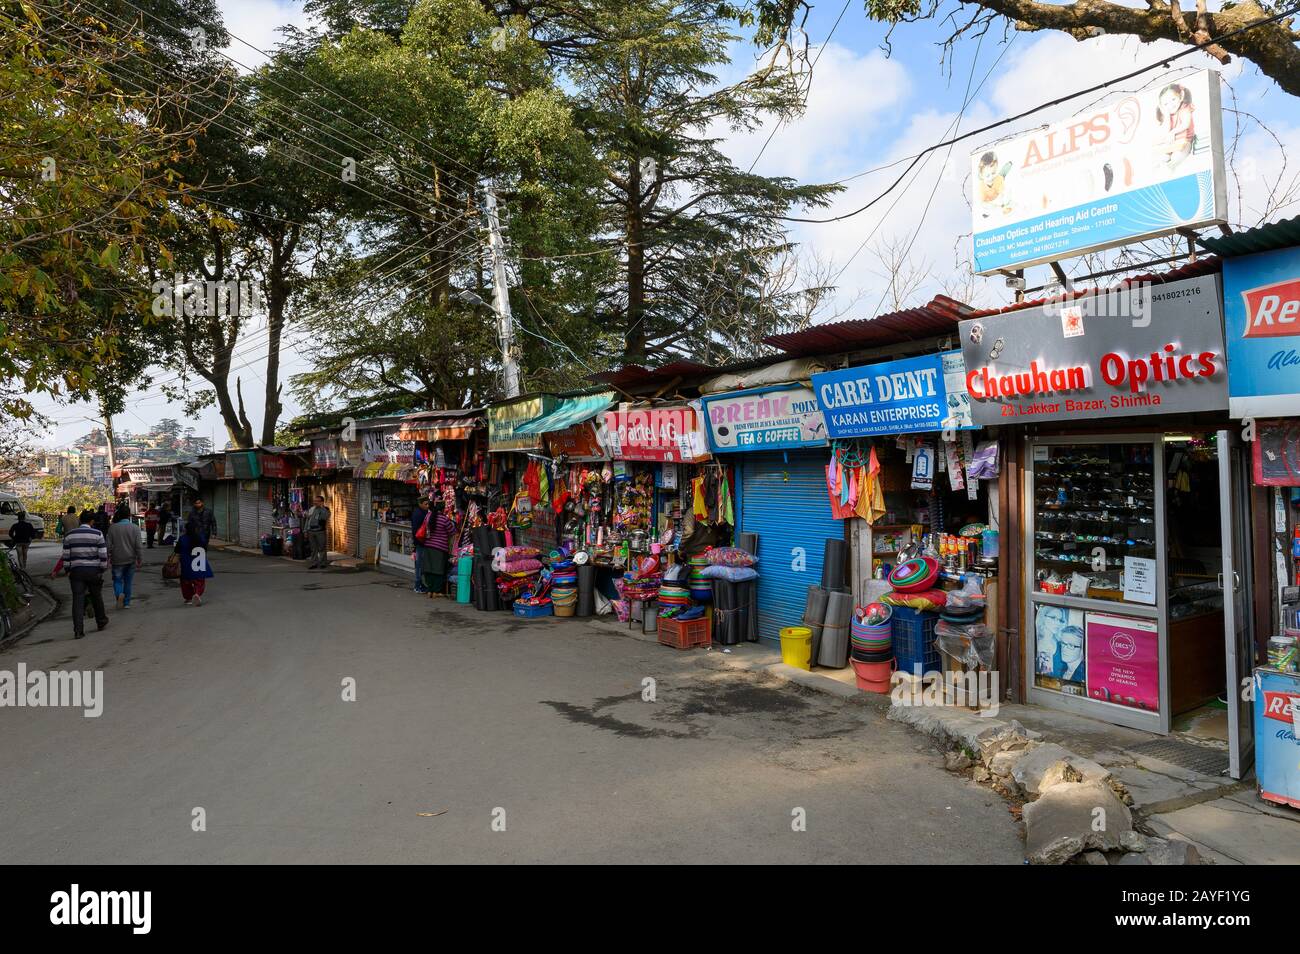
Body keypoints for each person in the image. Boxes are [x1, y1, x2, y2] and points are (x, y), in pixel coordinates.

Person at [60, 509, 108, 639]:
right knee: (96, 596)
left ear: (80, 521)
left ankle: (78, 630)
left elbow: (66, 555)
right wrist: (102, 568)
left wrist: (68, 570)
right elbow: (103, 554)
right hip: (93, 571)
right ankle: (101, 621)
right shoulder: (98, 534)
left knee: (78, 600)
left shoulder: (70, 535)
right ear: (92, 521)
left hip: (76, 572)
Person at [106, 508, 144, 608]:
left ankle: (119, 595)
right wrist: (140, 558)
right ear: (129, 515)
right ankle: (126, 603)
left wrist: (107, 557)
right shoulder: (135, 528)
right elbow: (138, 546)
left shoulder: (112, 528)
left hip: (117, 559)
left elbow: (108, 546)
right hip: (131, 559)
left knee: (117, 580)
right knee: (128, 582)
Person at [418, 500, 456, 598]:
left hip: (428, 546)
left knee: (429, 569)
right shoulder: (444, 519)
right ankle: (436, 591)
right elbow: (452, 531)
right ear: (443, 509)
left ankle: (430, 590)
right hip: (440, 548)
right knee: (438, 570)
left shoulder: (428, 516)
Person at [175, 517, 214, 606]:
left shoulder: (183, 538)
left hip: (187, 564)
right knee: (200, 581)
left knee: (186, 582)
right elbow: (205, 549)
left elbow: (177, 551)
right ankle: (197, 594)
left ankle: (189, 598)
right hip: (199, 564)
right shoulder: (201, 538)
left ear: (186, 529)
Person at [410, 497, 431, 592]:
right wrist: (417, 543)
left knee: (420, 564)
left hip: (421, 542)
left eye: (428, 504)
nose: (427, 506)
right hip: (420, 543)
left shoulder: (423, 513)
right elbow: (416, 531)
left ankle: (420, 584)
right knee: (419, 565)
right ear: (420, 504)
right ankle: (418, 585)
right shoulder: (418, 514)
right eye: (426, 504)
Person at [304, 495, 330, 569]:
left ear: (322, 502)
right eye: (315, 501)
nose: (315, 502)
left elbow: (325, 517)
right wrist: (305, 530)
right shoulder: (312, 509)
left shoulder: (325, 509)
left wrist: (321, 508)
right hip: (311, 531)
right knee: (313, 549)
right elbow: (307, 520)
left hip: (320, 532)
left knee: (321, 548)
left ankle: (322, 563)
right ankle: (314, 563)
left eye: (317, 501)